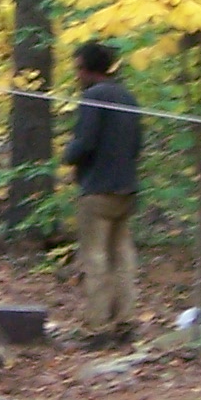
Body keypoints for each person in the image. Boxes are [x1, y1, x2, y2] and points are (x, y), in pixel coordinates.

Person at [62, 39, 143, 340]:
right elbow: (137, 145)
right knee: (122, 255)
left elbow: (84, 143)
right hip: (126, 188)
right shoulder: (128, 97)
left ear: (87, 68)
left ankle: (98, 326)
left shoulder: (93, 97)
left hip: (97, 191)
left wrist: (68, 155)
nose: (76, 75)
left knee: (94, 257)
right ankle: (126, 320)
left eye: (78, 69)